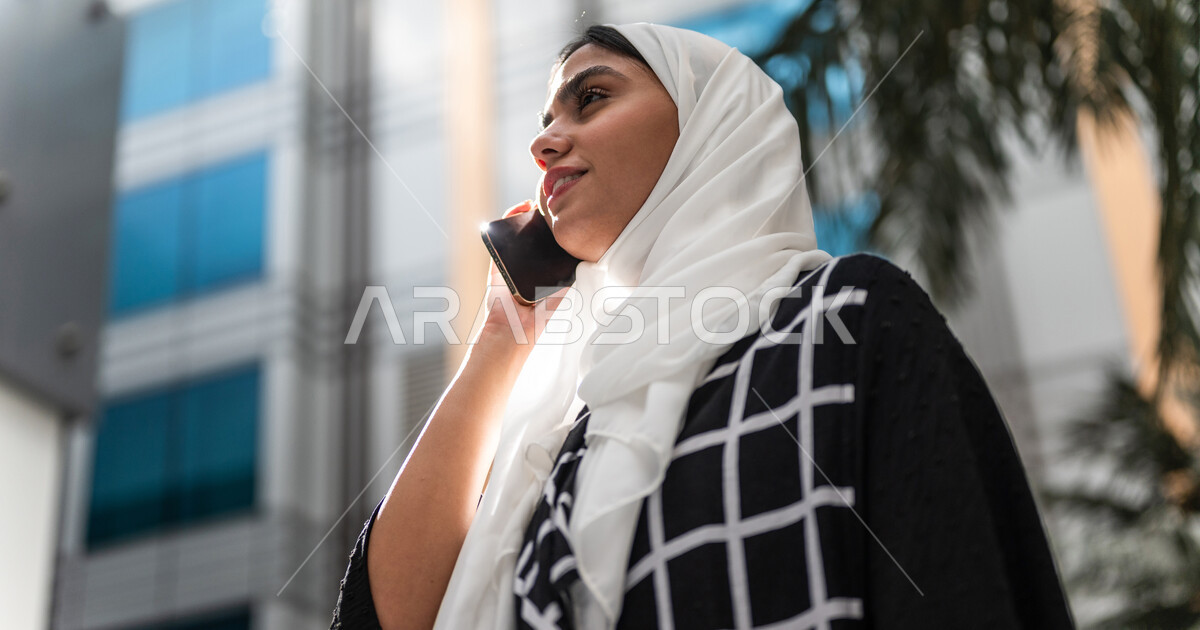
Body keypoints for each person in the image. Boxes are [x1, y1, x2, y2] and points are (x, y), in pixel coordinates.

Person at [330, 22, 1075, 630]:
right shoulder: (561, 427)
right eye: (547, 119)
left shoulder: (849, 321)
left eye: (590, 98)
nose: (544, 142)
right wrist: (503, 337)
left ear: (709, 130)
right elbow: (385, 619)